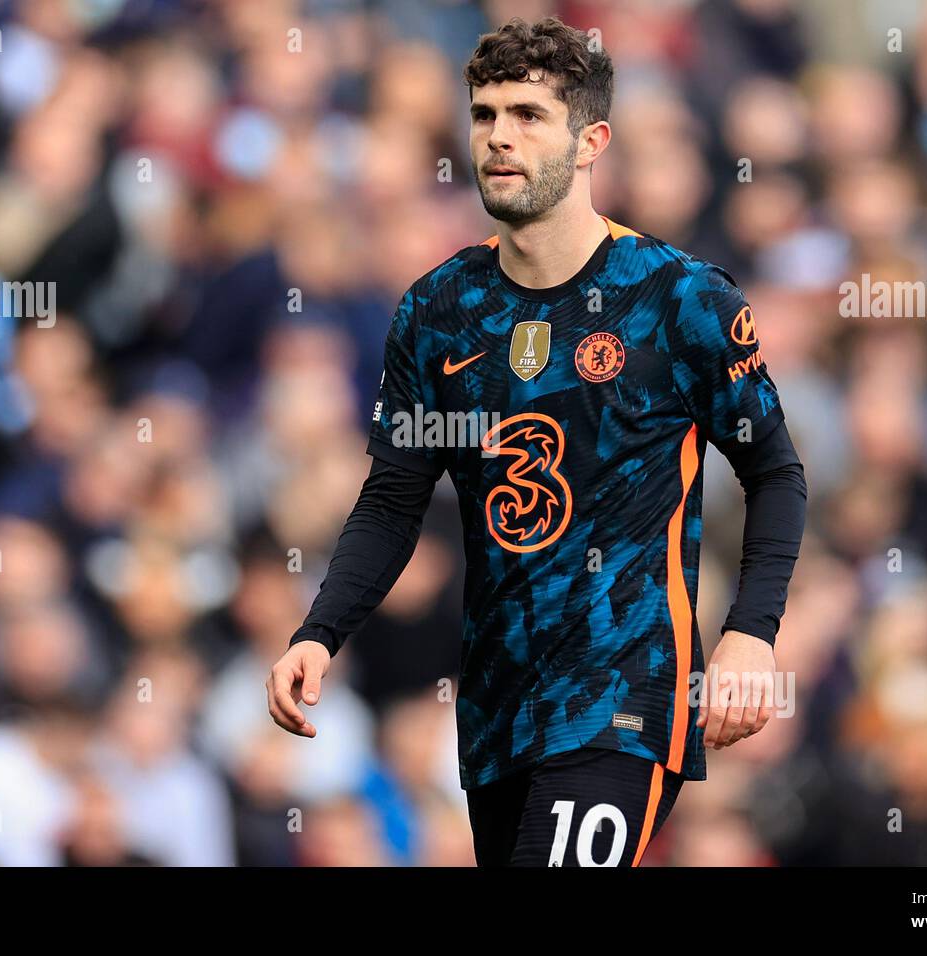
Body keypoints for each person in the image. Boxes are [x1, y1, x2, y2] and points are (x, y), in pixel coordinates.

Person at [265, 16, 807, 867]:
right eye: (484, 115)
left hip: (623, 694)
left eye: (527, 115)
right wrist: (319, 631)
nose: (499, 138)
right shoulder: (437, 311)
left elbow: (775, 473)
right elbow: (393, 498)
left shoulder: (680, 299)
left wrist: (751, 634)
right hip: (496, 706)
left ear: (591, 140)